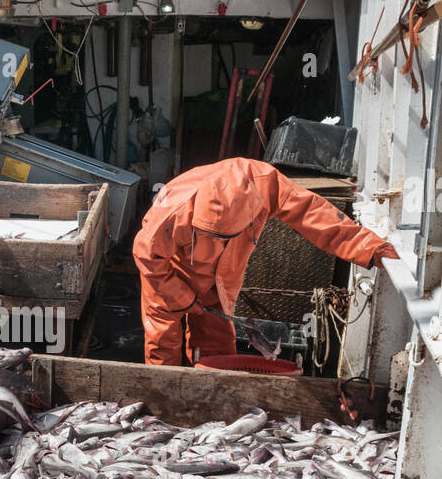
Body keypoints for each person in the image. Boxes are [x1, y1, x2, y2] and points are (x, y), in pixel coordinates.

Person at [132, 156, 398, 366]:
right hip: (169, 274)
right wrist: (182, 297)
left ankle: (212, 403)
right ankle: (160, 406)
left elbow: (314, 214)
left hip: (221, 277)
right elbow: (147, 255)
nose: (216, 243)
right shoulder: (172, 210)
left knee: (217, 346)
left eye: (225, 237)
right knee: (162, 342)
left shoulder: (264, 184)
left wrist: (367, 247)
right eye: (210, 235)